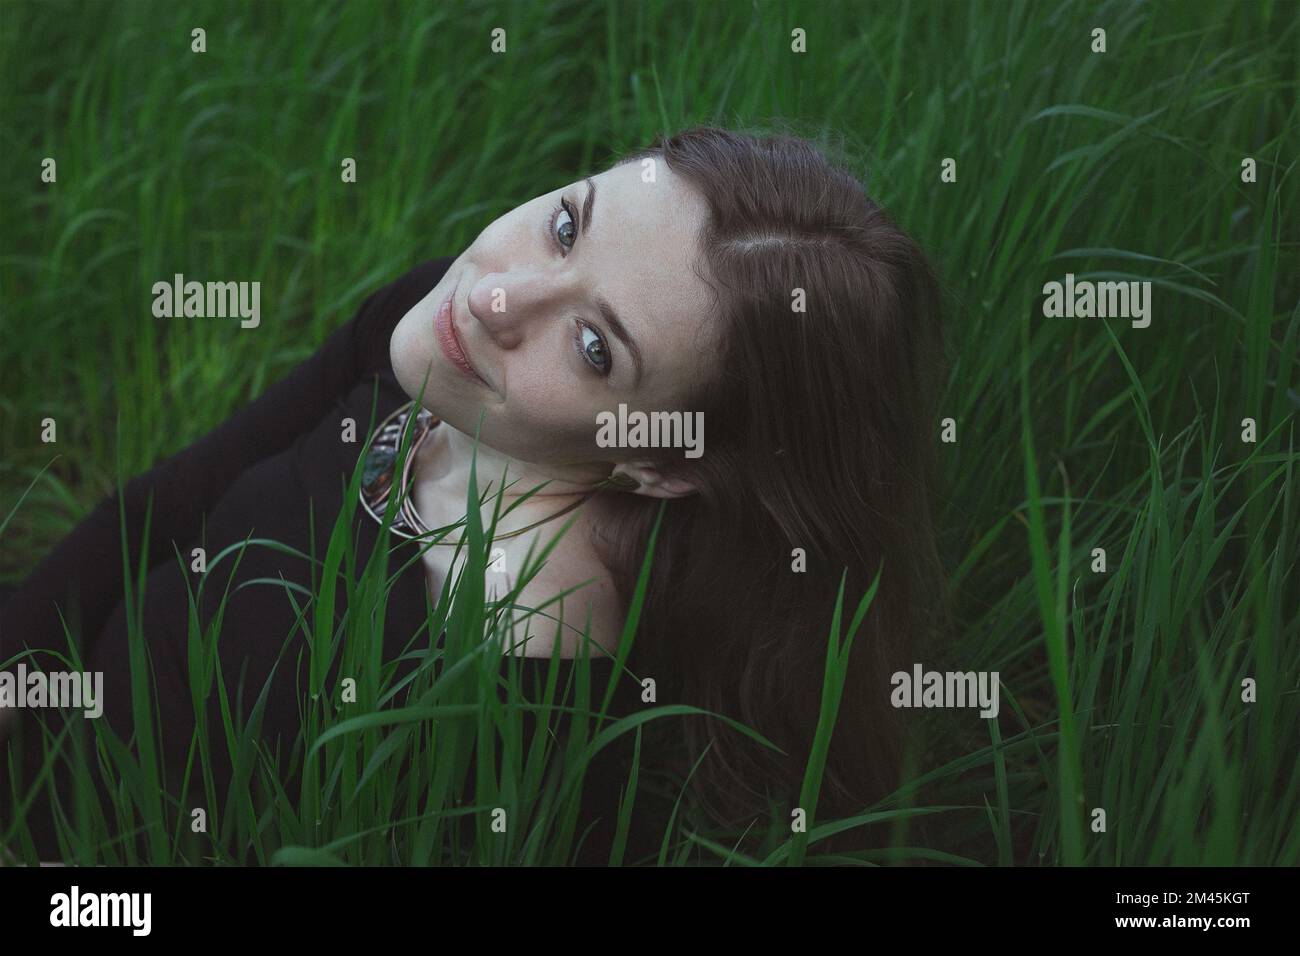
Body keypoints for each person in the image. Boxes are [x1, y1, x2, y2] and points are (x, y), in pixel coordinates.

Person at [1, 124, 949, 864]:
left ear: (662, 462)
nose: (503, 299)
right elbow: (167, 503)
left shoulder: (506, 694)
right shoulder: (438, 330)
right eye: (567, 224)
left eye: (592, 347)